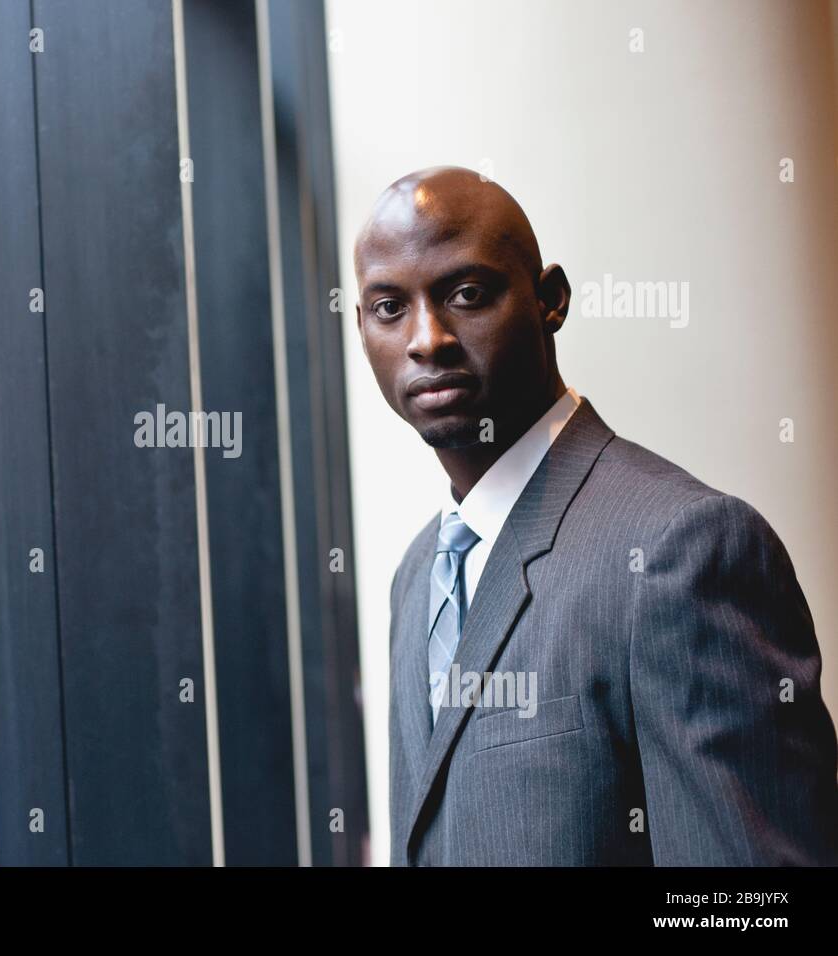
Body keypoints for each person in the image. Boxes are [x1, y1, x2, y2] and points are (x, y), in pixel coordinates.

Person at [354, 166, 838, 865]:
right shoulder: (417, 573)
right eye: (389, 308)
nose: (427, 338)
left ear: (550, 300)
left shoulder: (684, 551)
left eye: (466, 293)